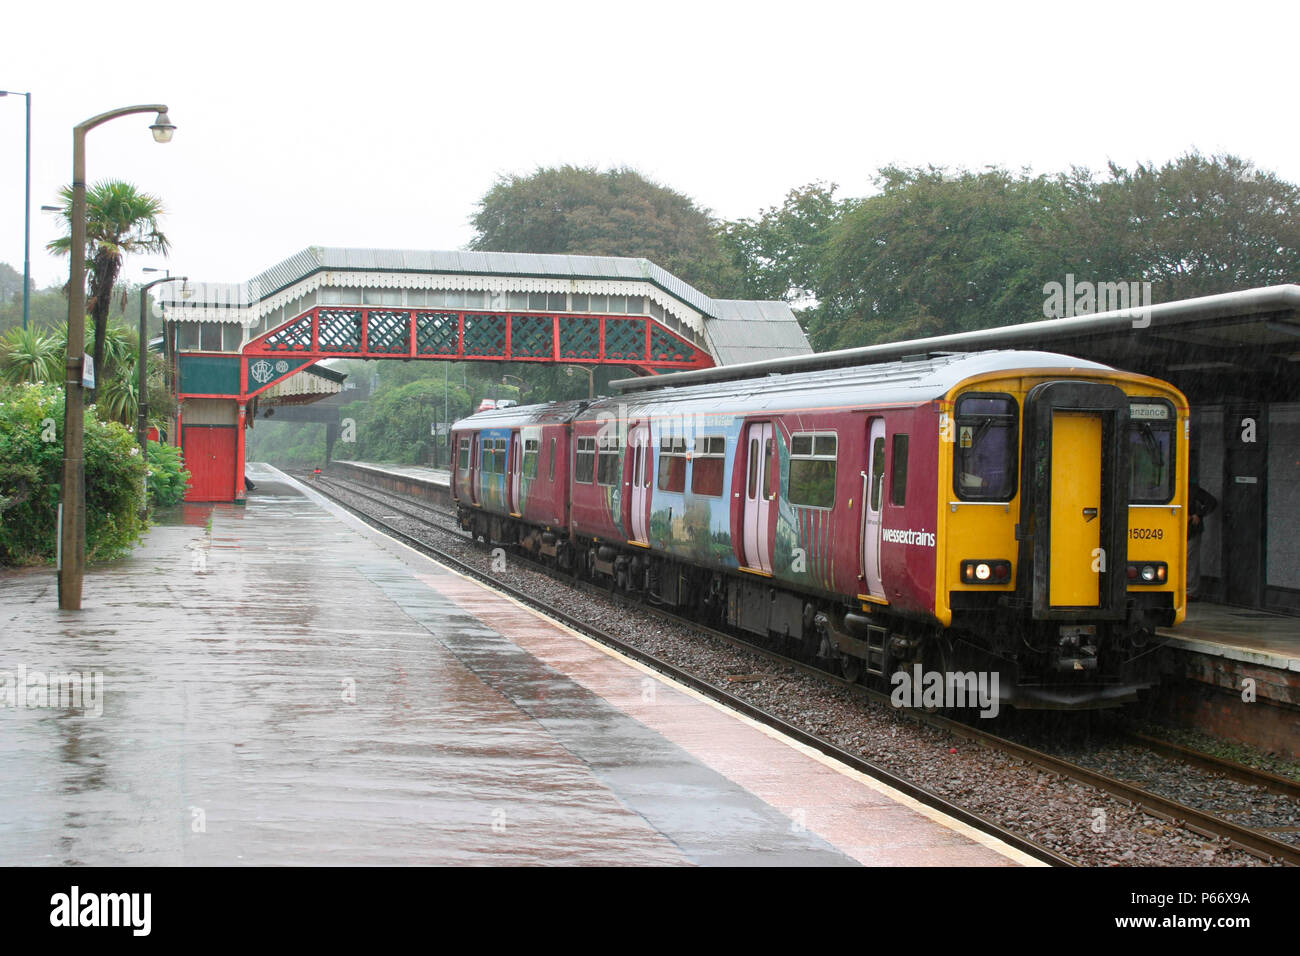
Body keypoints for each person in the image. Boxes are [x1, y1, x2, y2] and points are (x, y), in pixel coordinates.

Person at [1186, 483, 1218, 599]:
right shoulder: (1170, 488)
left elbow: (1211, 502)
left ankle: (1190, 591)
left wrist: (1198, 515)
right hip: (1177, 529)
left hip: (1191, 530)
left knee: (1189, 559)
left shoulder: (1193, 490)